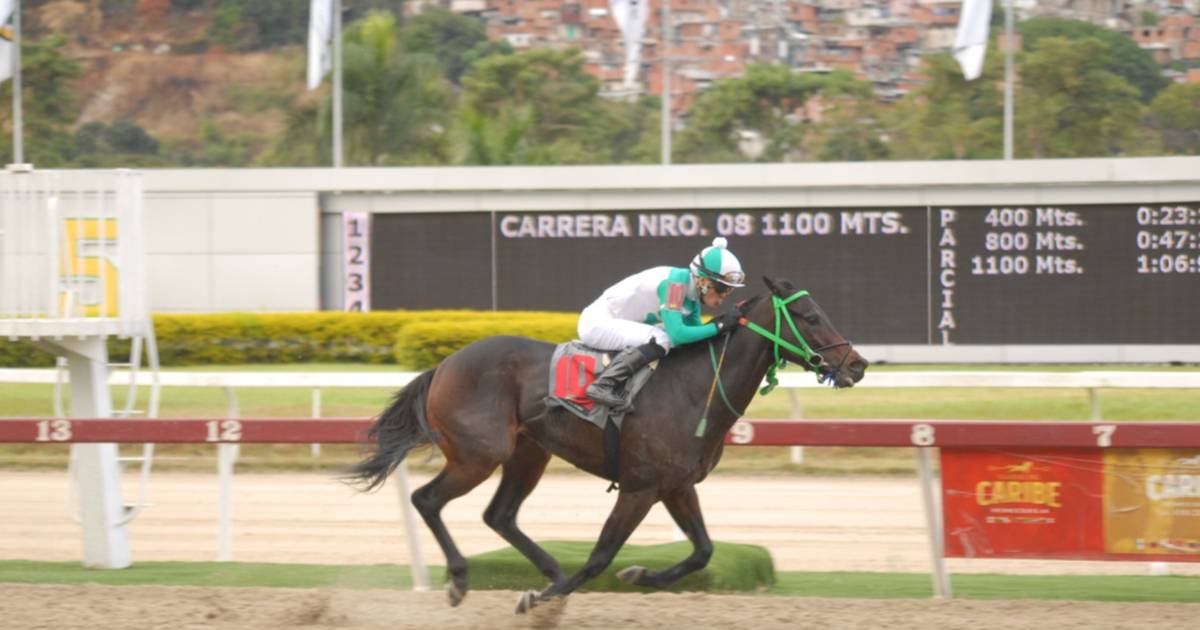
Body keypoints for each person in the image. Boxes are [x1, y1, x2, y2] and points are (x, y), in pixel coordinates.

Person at [578, 236, 746, 409]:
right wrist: (720, 325)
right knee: (662, 339)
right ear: (703, 280)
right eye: (721, 288)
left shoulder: (692, 296)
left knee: (668, 339)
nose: (724, 295)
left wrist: (725, 329)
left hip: (614, 323)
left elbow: (696, 338)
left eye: (729, 290)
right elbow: (678, 334)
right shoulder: (675, 285)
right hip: (597, 324)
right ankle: (603, 385)